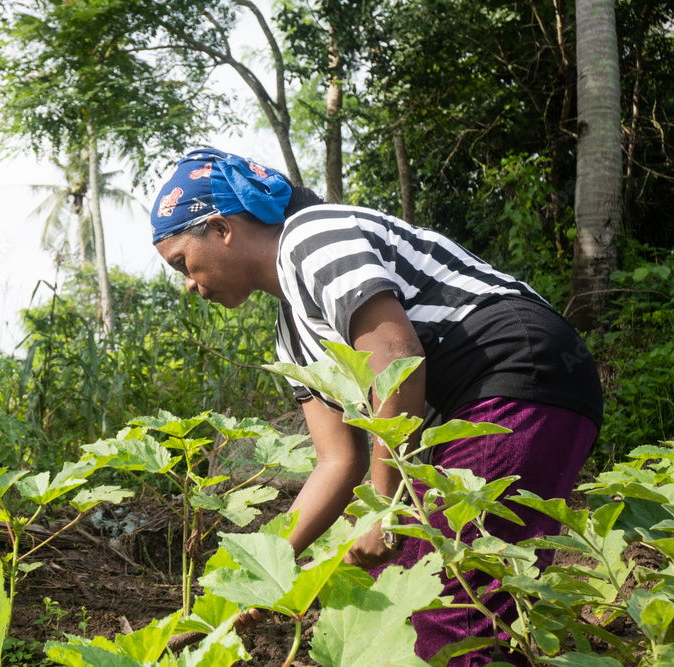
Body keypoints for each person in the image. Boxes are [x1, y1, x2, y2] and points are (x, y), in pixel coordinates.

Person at [149, 148, 603, 666]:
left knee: (451, 605)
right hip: (488, 402)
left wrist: (384, 511)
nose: (187, 283)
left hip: (517, 372)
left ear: (221, 228)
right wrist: (264, 574)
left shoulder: (311, 236)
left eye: (182, 262)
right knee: (391, 591)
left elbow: (396, 360)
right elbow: (338, 461)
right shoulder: (292, 333)